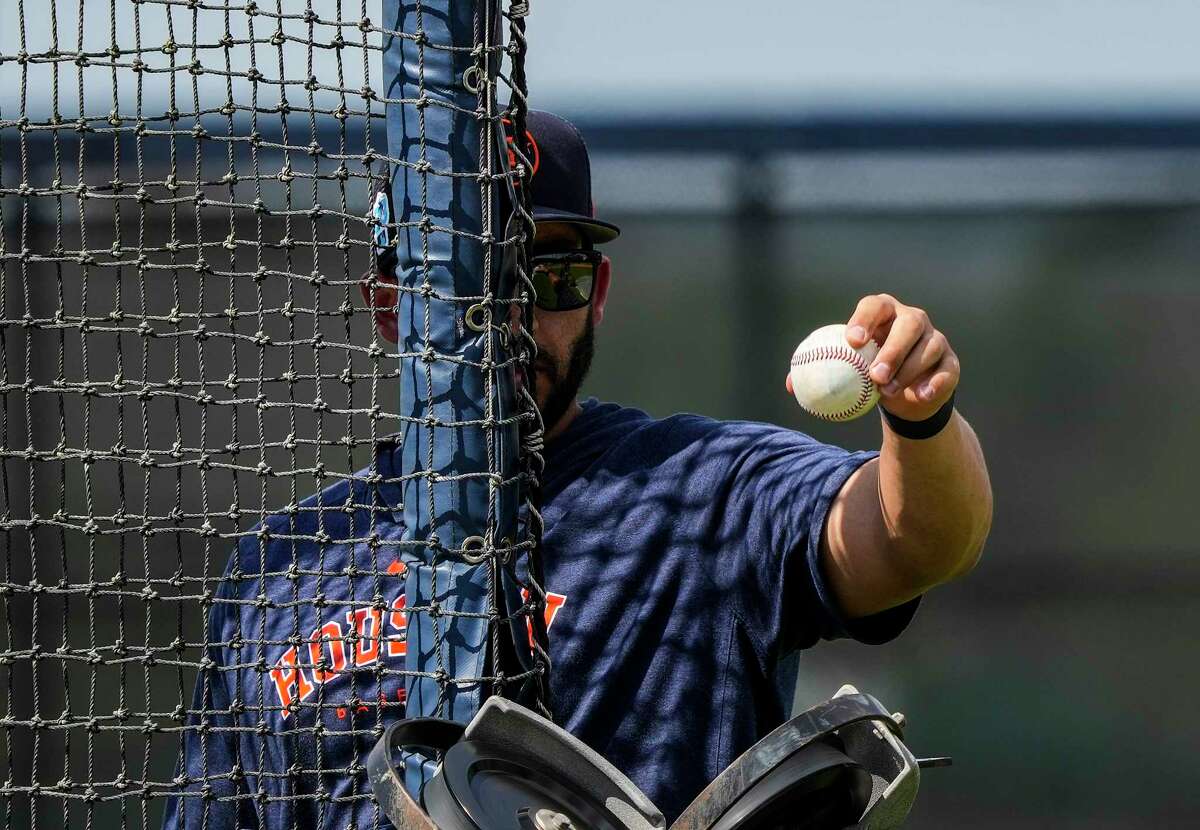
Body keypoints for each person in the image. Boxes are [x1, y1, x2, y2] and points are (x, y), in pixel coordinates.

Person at [163, 110, 992, 828]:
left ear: (596, 293)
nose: (515, 316)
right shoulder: (282, 568)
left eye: (549, 275)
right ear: (390, 305)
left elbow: (911, 541)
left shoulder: (701, 491)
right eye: (468, 279)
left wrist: (920, 418)